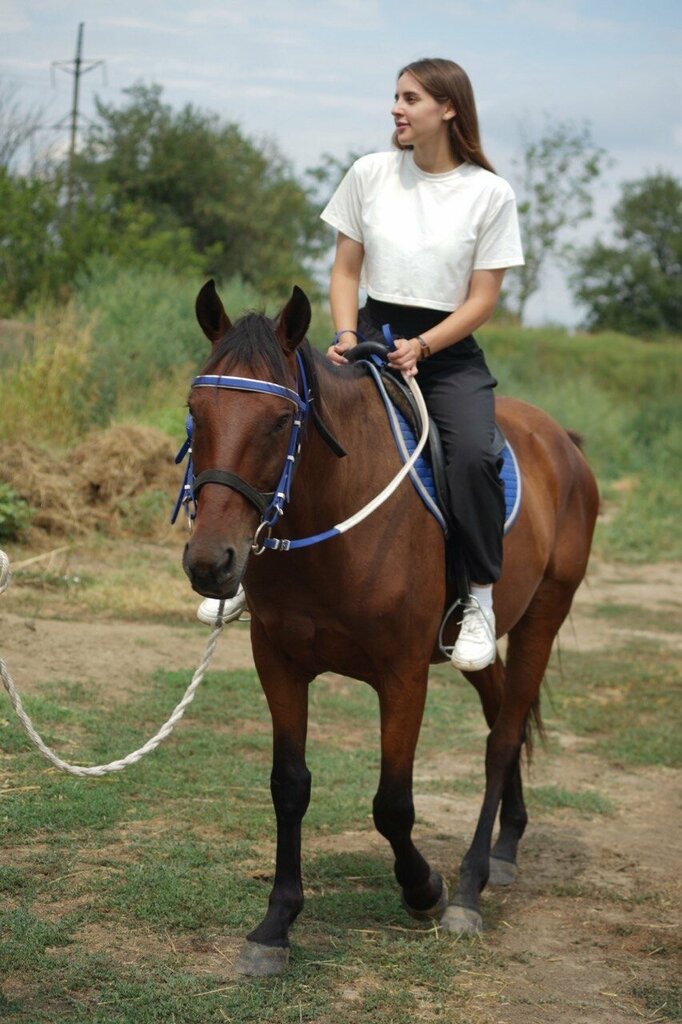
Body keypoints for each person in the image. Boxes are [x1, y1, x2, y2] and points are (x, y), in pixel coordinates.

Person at [319, 57, 524, 671]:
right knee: (292, 419)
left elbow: (484, 298)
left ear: (449, 109)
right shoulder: (370, 173)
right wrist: (347, 332)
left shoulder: (490, 193)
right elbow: (346, 269)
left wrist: (425, 346)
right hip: (372, 339)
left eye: (410, 98)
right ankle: (251, 574)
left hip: (447, 355)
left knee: (472, 455)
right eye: (395, 97)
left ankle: (480, 601)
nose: (396, 109)